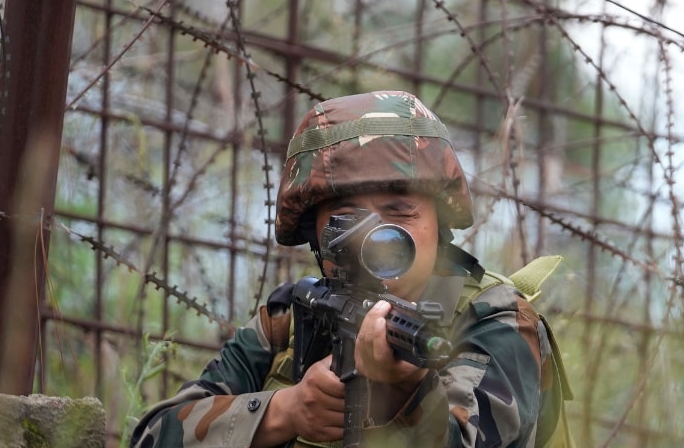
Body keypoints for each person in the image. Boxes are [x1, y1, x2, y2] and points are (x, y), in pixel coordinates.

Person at [130, 90, 572, 447]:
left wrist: (402, 388)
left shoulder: (495, 320)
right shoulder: (291, 318)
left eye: (400, 211)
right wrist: (284, 412)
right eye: (348, 220)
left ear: (439, 223)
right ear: (315, 230)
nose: (377, 237)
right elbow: (152, 436)